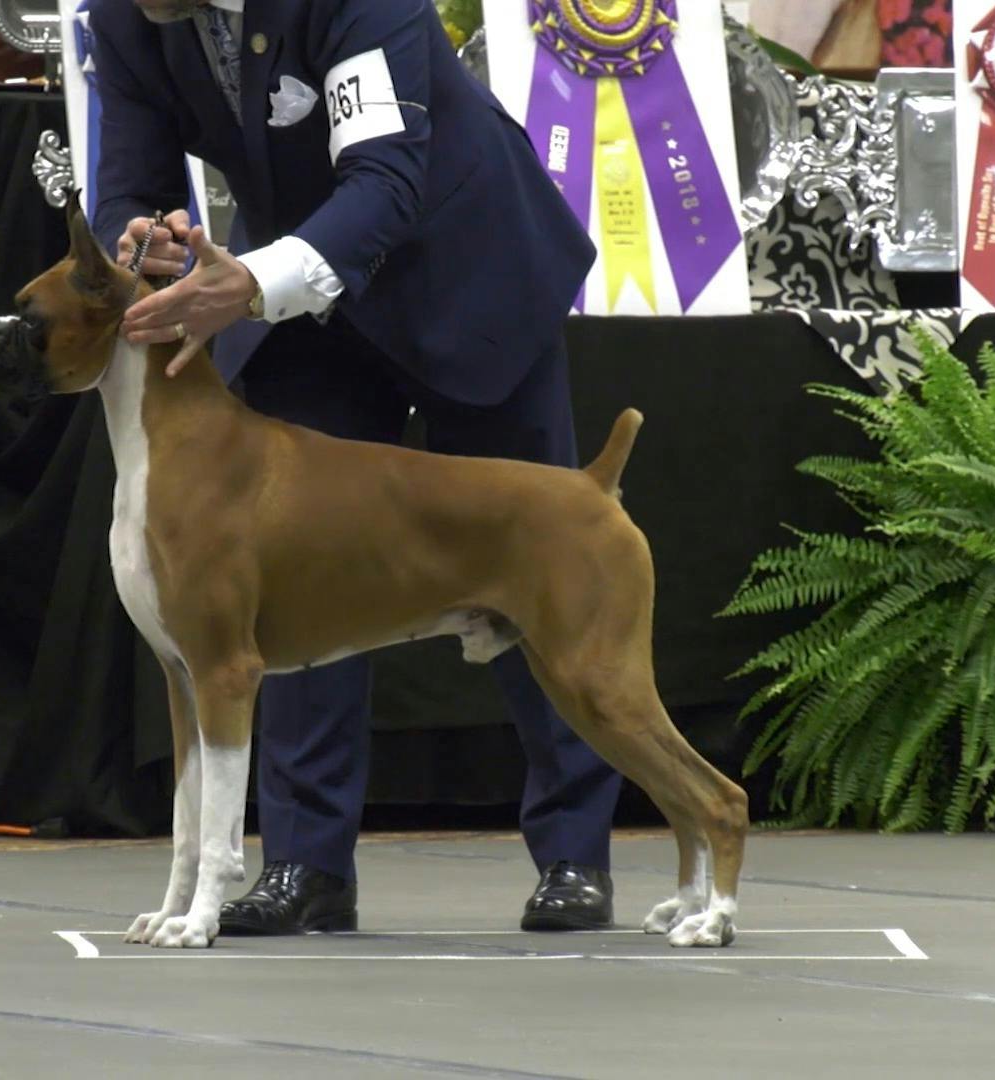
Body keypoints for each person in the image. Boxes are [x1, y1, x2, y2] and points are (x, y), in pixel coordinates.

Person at [88, 0, 623, 934]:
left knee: (536, 565)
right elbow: (126, 183)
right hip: (303, 306)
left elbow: (383, 181)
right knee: (286, 566)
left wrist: (251, 282)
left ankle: (576, 855)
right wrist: (144, 240)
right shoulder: (130, 17)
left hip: (466, 276)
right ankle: (306, 865)